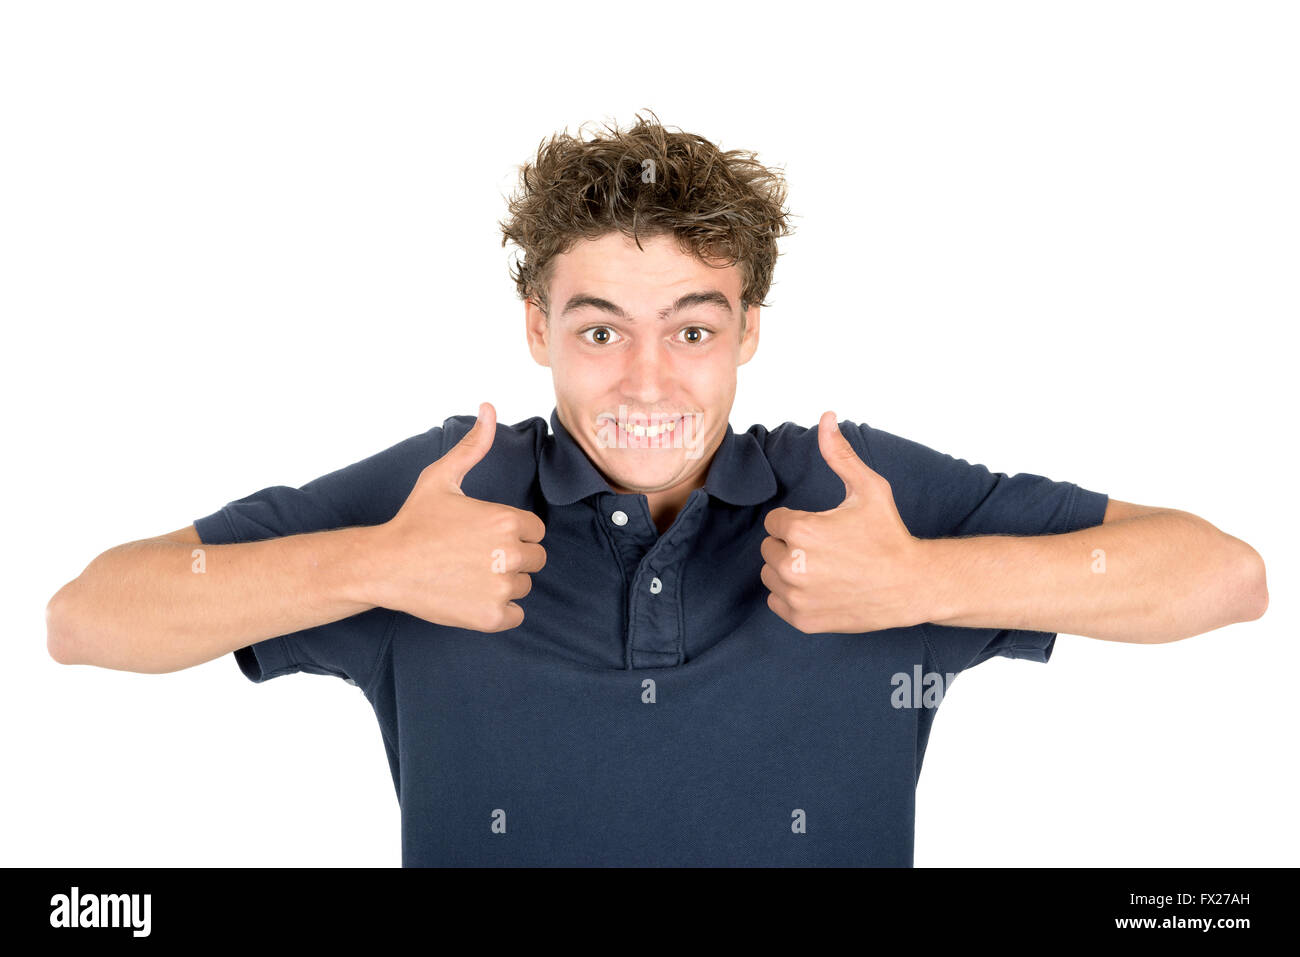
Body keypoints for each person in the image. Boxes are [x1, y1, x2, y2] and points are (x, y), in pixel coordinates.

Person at [45, 112, 1269, 866]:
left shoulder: (852, 491)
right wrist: (371, 564)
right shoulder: (448, 492)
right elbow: (88, 617)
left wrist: (923, 581)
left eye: (692, 329)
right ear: (536, 328)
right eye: (599, 330)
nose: (646, 378)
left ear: (748, 332)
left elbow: (1224, 577)